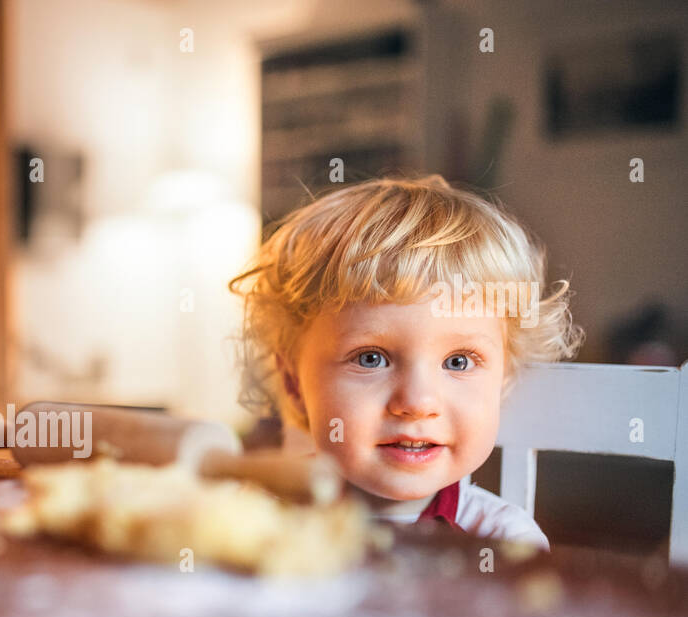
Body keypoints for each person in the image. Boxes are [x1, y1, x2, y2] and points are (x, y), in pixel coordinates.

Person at [229, 175, 584, 549]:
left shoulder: (504, 542)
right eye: (371, 359)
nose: (416, 403)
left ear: (503, 380)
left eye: (459, 362)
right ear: (293, 382)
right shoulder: (260, 523)